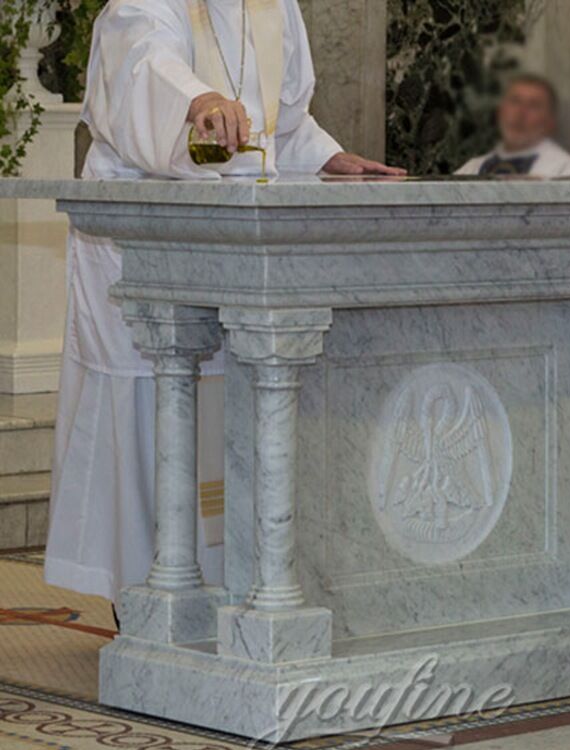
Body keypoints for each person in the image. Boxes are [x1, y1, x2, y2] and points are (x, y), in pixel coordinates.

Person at [45, 0, 405, 602]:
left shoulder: (274, 5)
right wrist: (196, 102)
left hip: (234, 246)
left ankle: (229, 583)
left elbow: (281, 124)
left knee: (232, 410)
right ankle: (140, 591)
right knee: (155, 408)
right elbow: (140, 64)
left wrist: (325, 157)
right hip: (143, 237)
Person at [456, 74, 570, 178]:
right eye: (514, 101)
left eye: (534, 105)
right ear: (500, 112)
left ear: (550, 122)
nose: (520, 113)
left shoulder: (564, 168)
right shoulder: (472, 168)